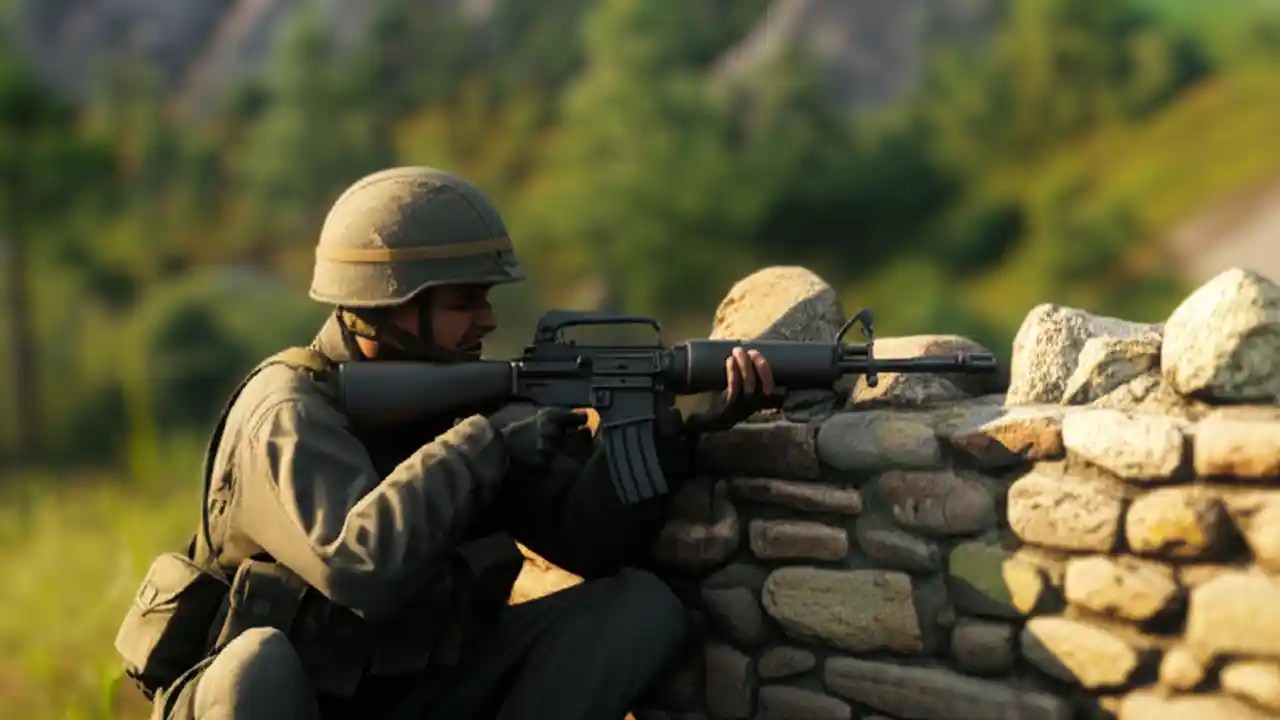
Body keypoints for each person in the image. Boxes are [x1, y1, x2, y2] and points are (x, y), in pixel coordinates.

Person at [121, 166, 776, 720]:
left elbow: (592, 546)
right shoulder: (287, 413)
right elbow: (359, 566)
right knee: (255, 669)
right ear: (386, 306)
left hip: (414, 689)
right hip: (285, 701)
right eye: (465, 302)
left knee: (638, 609)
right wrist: (485, 444)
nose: (487, 319)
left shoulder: (460, 399)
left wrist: (665, 428)